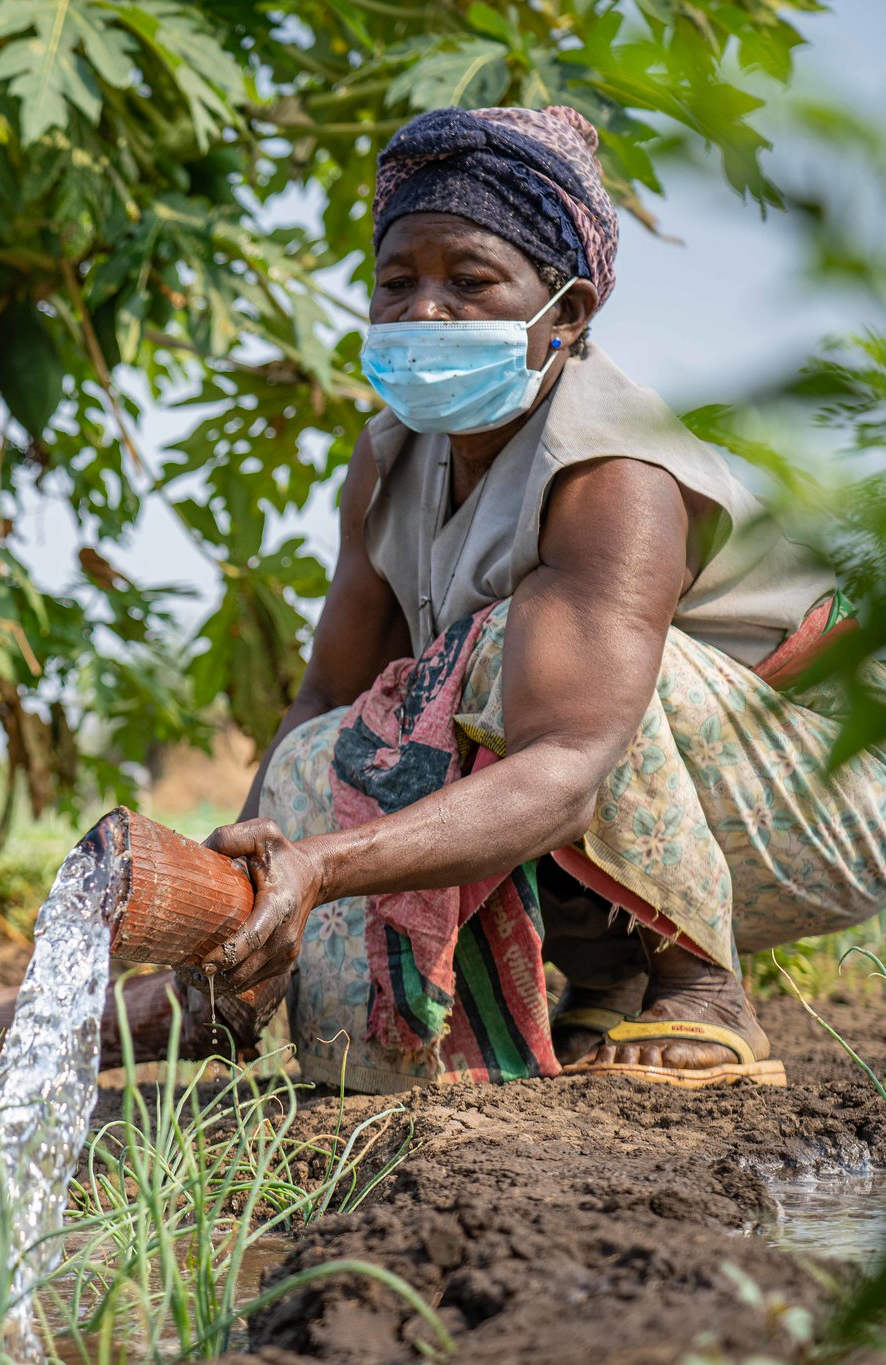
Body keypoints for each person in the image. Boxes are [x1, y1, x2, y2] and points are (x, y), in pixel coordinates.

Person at [197, 105, 886, 1093]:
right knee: (337, 743)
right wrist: (242, 888)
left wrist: (323, 868)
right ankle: (600, 976)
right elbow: (320, 703)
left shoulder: (611, 468)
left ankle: (697, 982)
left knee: (512, 653)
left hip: (824, 806)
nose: (422, 312)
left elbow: (569, 762)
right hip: (655, 782)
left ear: (562, 317)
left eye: (468, 283)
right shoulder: (390, 457)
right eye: (396, 283)